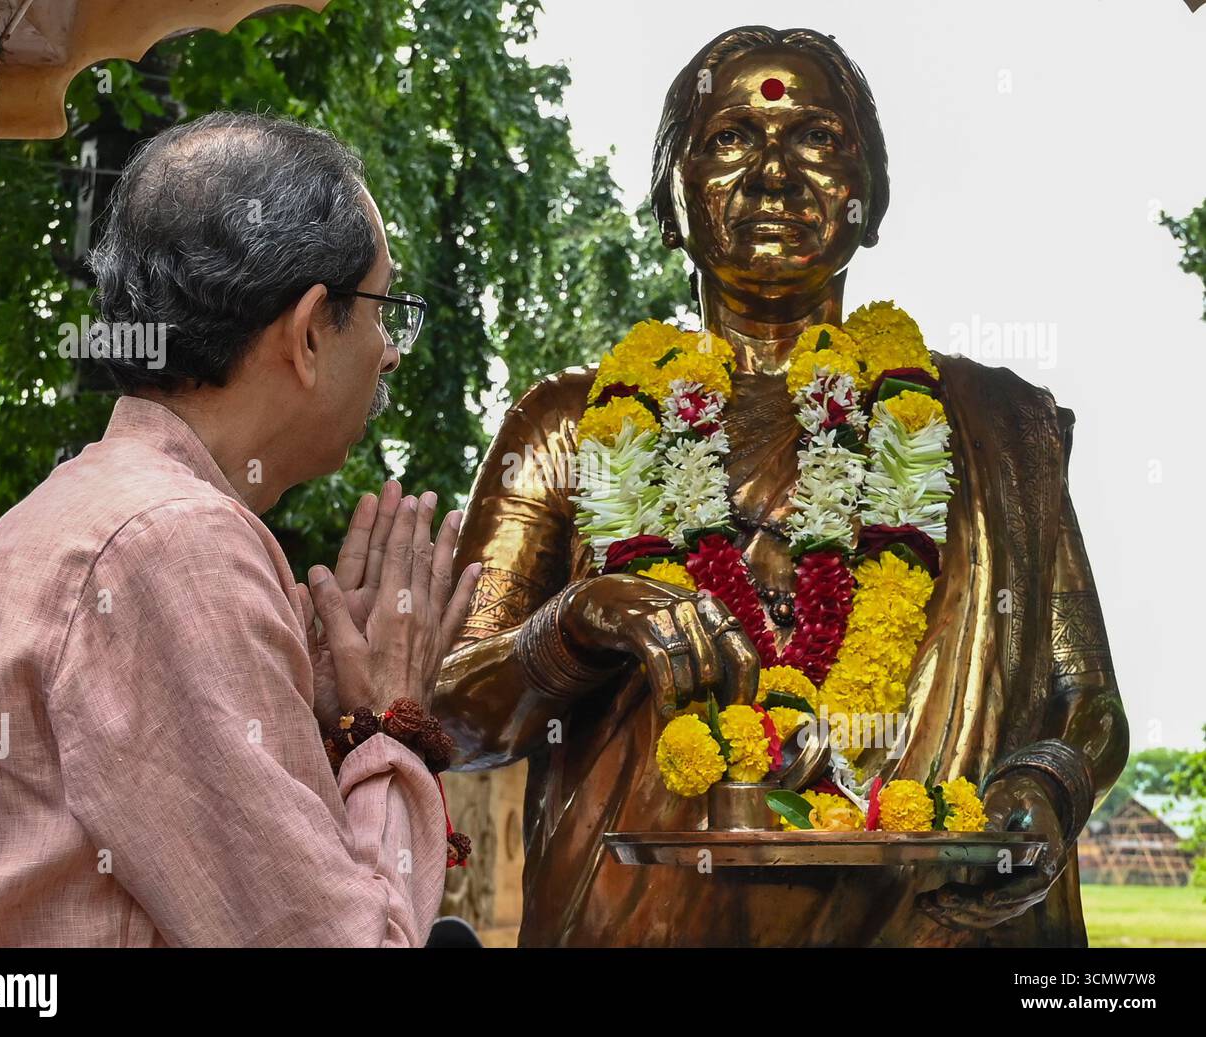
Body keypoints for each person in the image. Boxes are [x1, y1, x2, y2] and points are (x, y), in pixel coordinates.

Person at [433, 26, 1127, 947]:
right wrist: (581, 620)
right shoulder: (570, 422)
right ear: (671, 199)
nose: (772, 172)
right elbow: (459, 719)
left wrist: (1044, 788)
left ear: (871, 197)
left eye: (817, 139)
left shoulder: (997, 425)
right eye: (727, 139)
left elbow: (1088, 704)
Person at [0, 112, 480, 947]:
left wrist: (315, 713)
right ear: (312, 329)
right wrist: (389, 720)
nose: (391, 353)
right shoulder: (173, 546)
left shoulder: (85, 511)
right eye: (385, 308)